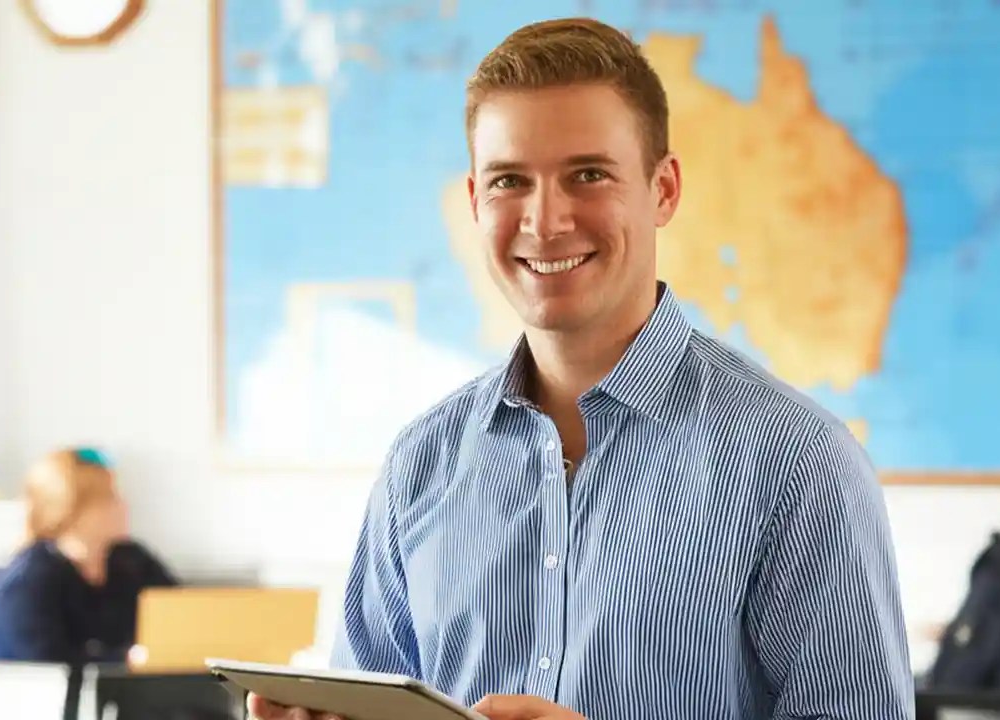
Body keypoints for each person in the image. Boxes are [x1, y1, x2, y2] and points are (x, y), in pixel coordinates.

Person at [251, 16, 913, 720]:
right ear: (475, 202)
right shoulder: (419, 467)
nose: (546, 219)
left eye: (588, 174)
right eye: (510, 181)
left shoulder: (798, 465)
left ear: (663, 190)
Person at [0, 447, 179, 665]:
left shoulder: (131, 561)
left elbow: (182, 615)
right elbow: (52, 672)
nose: (122, 506)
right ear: (69, 509)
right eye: (108, 498)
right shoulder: (27, 587)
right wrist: (127, 660)